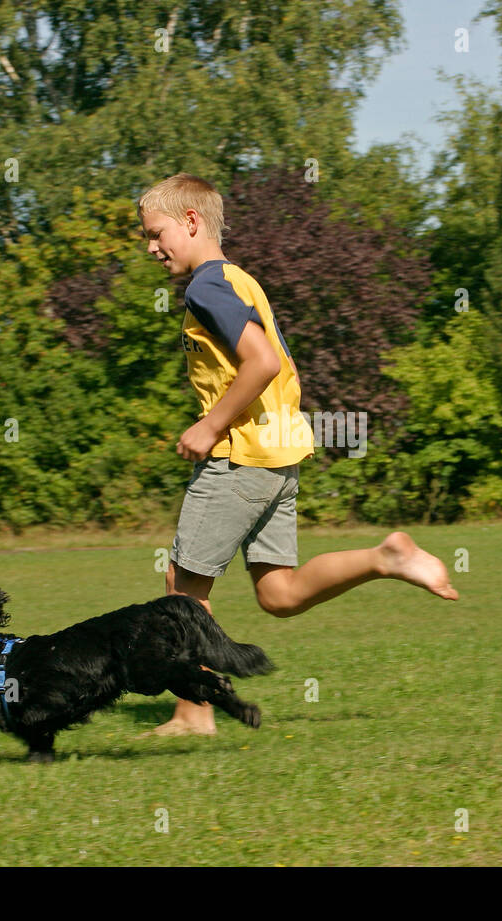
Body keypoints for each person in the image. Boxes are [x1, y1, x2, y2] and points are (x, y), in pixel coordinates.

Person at [137, 172, 458, 736]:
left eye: (156, 232)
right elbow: (280, 364)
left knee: (182, 588)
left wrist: (211, 426)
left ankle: (194, 712)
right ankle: (386, 557)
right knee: (279, 593)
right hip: (279, 455)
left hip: (239, 458)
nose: (150, 246)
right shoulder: (241, 280)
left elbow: (260, 363)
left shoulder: (207, 286)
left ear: (190, 222)